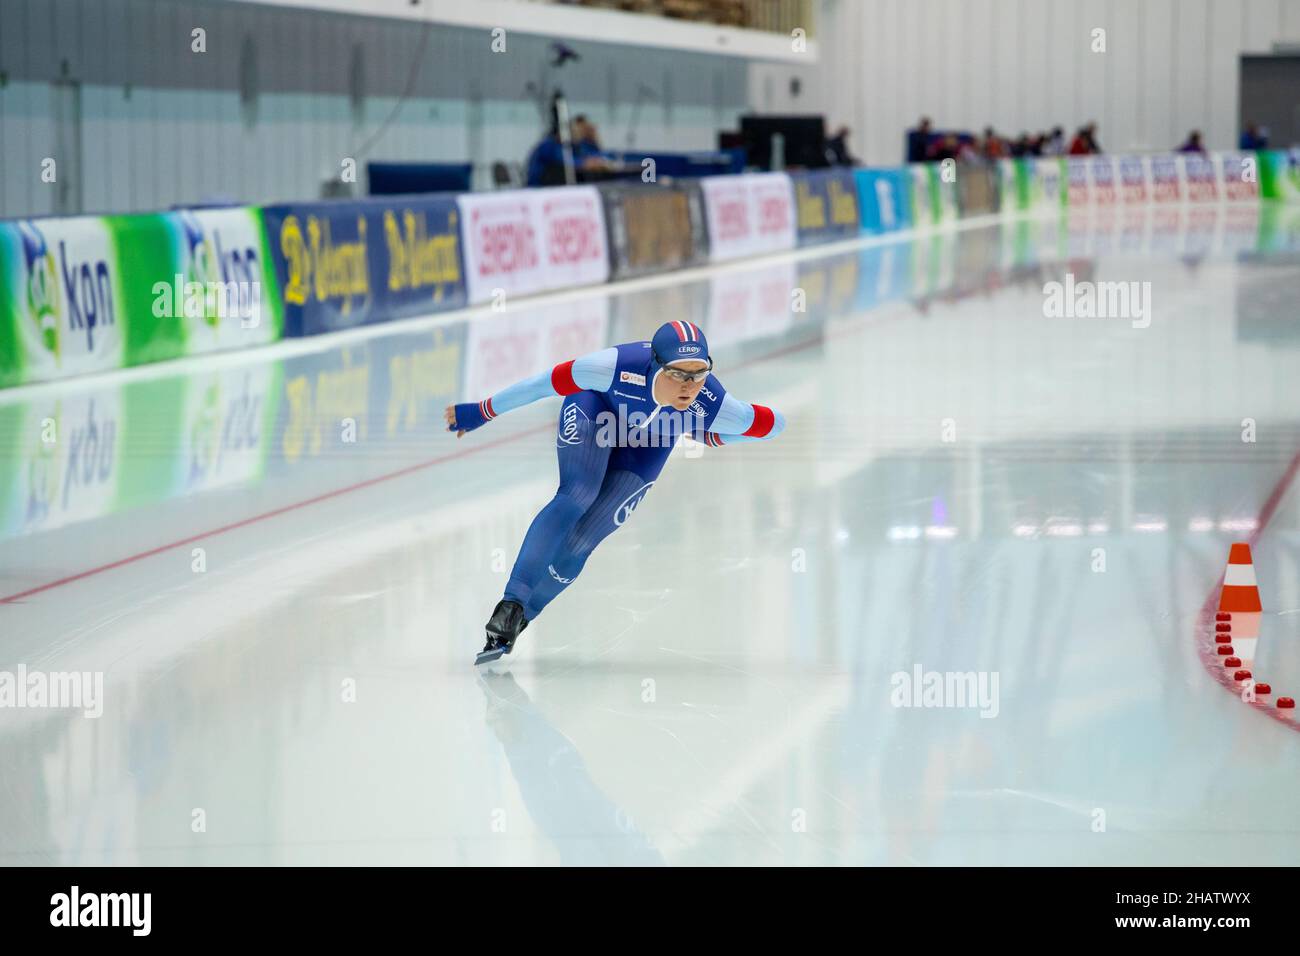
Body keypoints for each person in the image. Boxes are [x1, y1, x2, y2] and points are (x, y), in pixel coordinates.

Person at [445, 321, 787, 663]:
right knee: (578, 493)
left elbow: (774, 426)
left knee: (583, 539)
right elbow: (542, 384)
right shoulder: (612, 367)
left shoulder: (713, 403)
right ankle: (511, 602)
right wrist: (482, 411)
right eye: (679, 375)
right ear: (655, 364)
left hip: (653, 440)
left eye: (699, 374)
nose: (690, 387)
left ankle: (520, 621)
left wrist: (713, 435)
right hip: (596, 410)